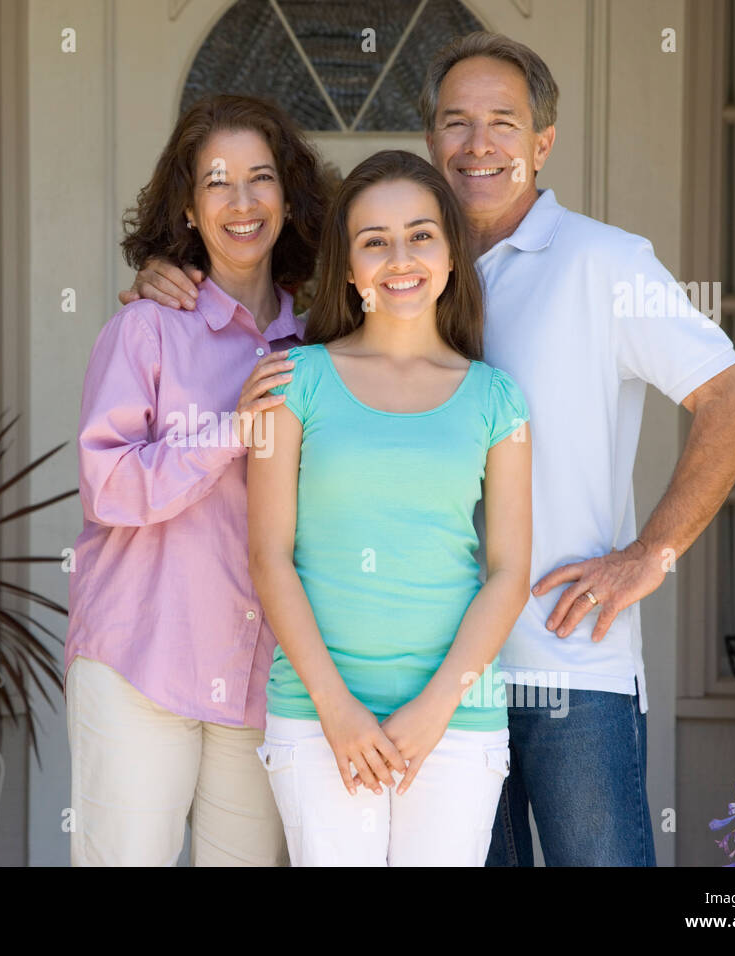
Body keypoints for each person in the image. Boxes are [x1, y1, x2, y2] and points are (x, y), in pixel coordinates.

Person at [120, 32, 735, 866]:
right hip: (427, 683)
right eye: (456, 122)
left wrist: (650, 553)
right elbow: (260, 278)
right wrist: (167, 281)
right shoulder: (399, 273)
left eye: (505, 121)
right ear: (431, 141)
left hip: (571, 665)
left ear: (543, 142)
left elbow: (734, 403)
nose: (479, 143)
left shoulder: (607, 264)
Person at [247, 149, 532, 866]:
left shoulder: (497, 398)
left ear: (450, 255)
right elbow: (268, 556)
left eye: (421, 234)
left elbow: (508, 572)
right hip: (317, 717)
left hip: (455, 720)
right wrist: (337, 711)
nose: (399, 257)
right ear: (348, 268)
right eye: (374, 241)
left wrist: (434, 711)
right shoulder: (293, 381)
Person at [65, 93, 328, 866]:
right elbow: (107, 488)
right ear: (186, 205)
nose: (242, 202)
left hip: (262, 679)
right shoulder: (146, 326)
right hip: (140, 667)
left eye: (261, 178)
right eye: (216, 182)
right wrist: (227, 433)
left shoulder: (322, 344)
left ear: (289, 196)